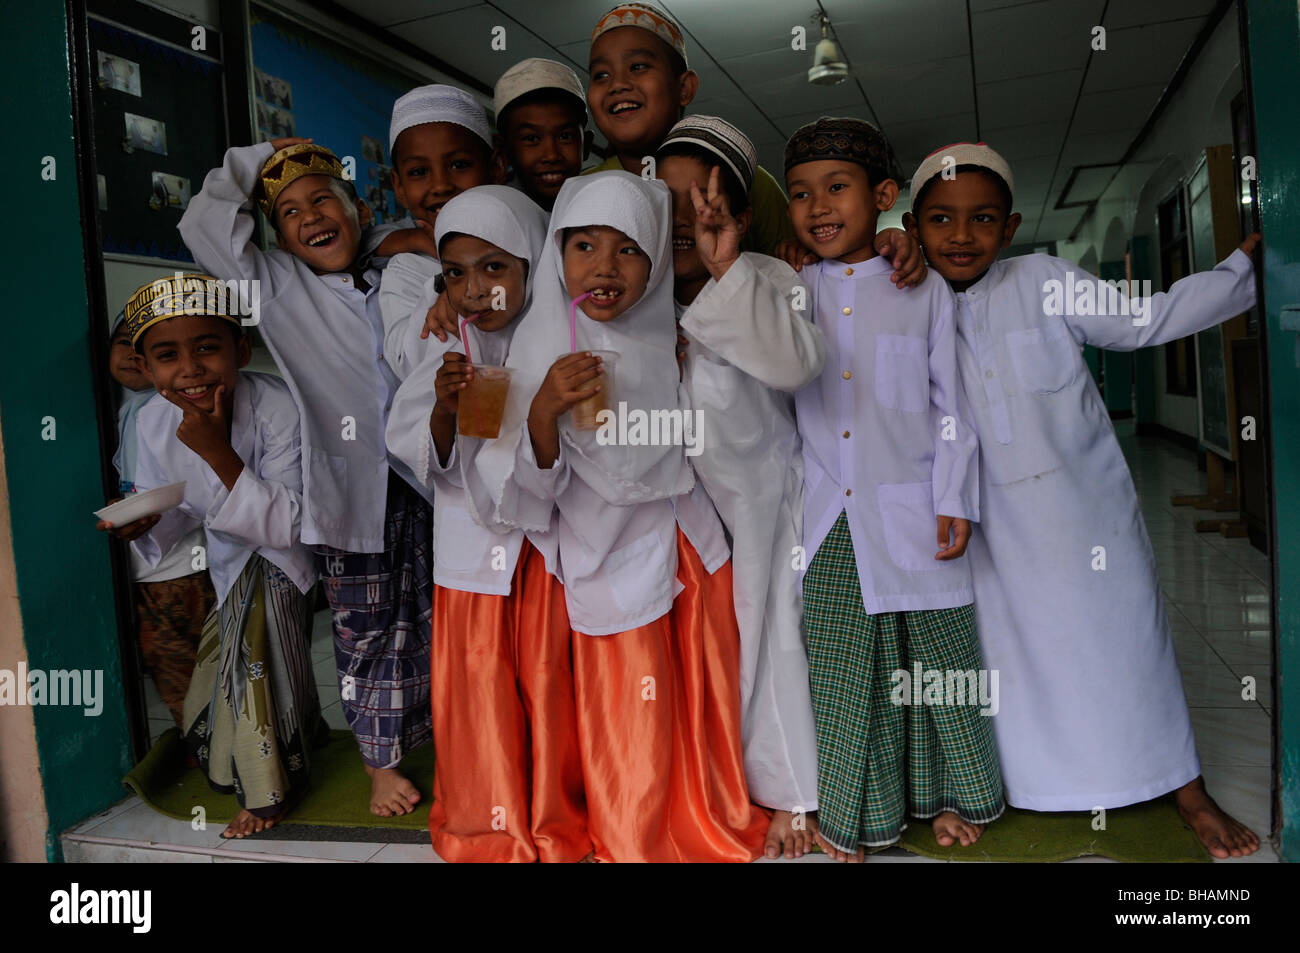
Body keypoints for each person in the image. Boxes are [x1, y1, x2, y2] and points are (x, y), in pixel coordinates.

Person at [903, 141, 1262, 858]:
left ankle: (1184, 788)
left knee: (1127, 642)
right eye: (941, 219)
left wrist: (1242, 270)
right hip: (980, 518)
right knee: (1005, 654)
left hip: (1083, 510)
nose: (962, 235)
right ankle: (1023, 785)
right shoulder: (906, 297)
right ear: (914, 230)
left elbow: (1143, 321)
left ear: (1010, 229)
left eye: (982, 218)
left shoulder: (1041, 279)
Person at [468, 171, 769, 862]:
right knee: (632, 709)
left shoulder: (667, 333)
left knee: (696, 698)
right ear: (555, 252)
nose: (604, 267)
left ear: (659, 259)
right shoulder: (525, 349)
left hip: (685, 550)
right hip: (601, 553)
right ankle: (634, 834)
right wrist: (543, 408)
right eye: (583, 245)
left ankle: (705, 807)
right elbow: (510, 494)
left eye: (629, 249)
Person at [180, 139, 434, 818]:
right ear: (280, 238)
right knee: (366, 630)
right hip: (351, 497)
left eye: (323, 197)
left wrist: (392, 238)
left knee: (437, 622)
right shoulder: (281, 290)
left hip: (430, 481)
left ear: (356, 207)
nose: (310, 215)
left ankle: (450, 733)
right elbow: (205, 223)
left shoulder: (398, 273)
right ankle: (380, 763)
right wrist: (269, 153)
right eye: (288, 211)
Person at [787, 117, 1004, 862]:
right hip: (827, 516)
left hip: (915, 502)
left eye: (836, 188)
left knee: (939, 663)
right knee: (849, 672)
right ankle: (854, 815)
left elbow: (951, 406)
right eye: (800, 194)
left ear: (881, 196)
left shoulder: (924, 290)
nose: (818, 206)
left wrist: (953, 494)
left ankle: (948, 796)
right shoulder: (788, 288)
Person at [386, 186, 589, 862]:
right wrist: (445, 406)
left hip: (539, 556)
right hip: (471, 561)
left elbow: (575, 461)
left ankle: (550, 816)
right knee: (479, 695)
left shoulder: (565, 341)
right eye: (456, 273)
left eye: (496, 267)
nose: (476, 289)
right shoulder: (447, 346)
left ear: (534, 263)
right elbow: (427, 459)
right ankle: (486, 817)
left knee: (545, 685)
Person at [98, 274, 322, 839]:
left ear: (240, 351)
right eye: (168, 355)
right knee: (253, 667)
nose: (191, 369)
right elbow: (175, 507)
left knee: (261, 667)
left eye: (207, 347)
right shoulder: (151, 420)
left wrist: (219, 451)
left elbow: (290, 519)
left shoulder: (276, 405)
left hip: (280, 558)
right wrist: (149, 522)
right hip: (226, 558)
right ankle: (299, 741)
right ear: (146, 370)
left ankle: (268, 793)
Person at [582, 2, 796, 257]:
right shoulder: (584, 191)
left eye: (638, 67)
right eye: (601, 75)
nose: (617, 84)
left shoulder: (745, 180)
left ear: (684, 88)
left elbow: (797, 272)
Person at [106, 306, 215, 732]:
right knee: (167, 661)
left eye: (145, 349)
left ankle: (217, 741)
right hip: (144, 566)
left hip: (188, 562)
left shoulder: (179, 406)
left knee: (203, 657)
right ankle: (196, 738)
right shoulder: (114, 408)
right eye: (122, 345)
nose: (132, 357)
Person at [376, 84, 507, 380]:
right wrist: (451, 286)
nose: (441, 185)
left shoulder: (529, 244)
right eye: (419, 172)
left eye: (459, 165)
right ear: (398, 186)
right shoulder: (406, 269)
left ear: (496, 166)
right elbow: (408, 363)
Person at [494, 58, 592, 210]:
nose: (551, 156)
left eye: (565, 136)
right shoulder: (490, 214)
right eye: (531, 138)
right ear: (503, 153)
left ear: (586, 145)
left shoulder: (602, 207)